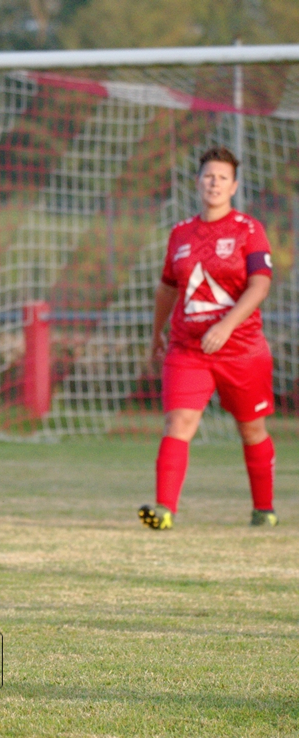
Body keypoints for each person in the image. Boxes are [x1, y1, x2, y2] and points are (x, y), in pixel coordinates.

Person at [140, 146, 277, 530]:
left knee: (251, 429)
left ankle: (263, 510)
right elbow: (166, 289)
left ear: (233, 186)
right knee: (178, 422)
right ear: (197, 182)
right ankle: (164, 511)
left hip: (243, 349)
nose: (213, 183)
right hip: (188, 348)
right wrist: (156, 334)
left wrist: (227, 325)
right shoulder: (180, 233)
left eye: (221, 177)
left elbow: (260, 285)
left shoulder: (249, 230)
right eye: (208, 176)